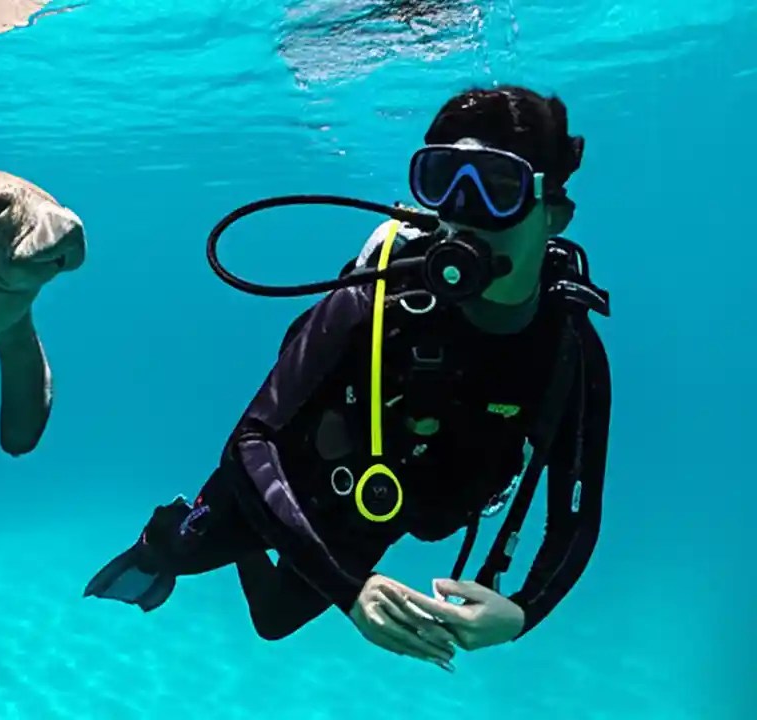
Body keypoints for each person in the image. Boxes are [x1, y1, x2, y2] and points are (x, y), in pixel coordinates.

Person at [82, 84, 611, 671]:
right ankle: (169, 529)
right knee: (179, 548)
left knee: (275, 620)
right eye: (443, 182)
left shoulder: (569, 352)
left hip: (377, 504)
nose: (464, 215)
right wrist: (347, 589)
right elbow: (251, 442)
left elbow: (576, 513)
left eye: (500, 189)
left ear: (554, 215)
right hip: (286, 473)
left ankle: (262, 552)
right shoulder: (377, 299)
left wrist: (523, 611)